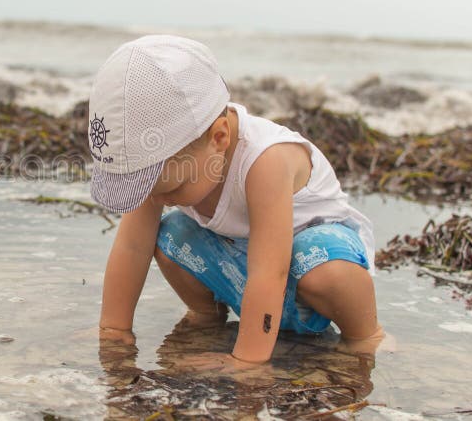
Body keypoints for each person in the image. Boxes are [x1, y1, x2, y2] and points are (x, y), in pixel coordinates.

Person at [90, 35, 383, 369]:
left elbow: (271, 270)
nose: (156, 199)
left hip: (307, 268)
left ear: (219, 138)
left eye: (170, 190)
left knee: (325, 269)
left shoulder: (265, 161)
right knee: (169, 235)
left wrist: (247, 360)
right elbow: (131, 247)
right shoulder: (171, 163)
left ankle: (367, 335)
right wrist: (114, 330)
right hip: (242, 267)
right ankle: (206, 316)